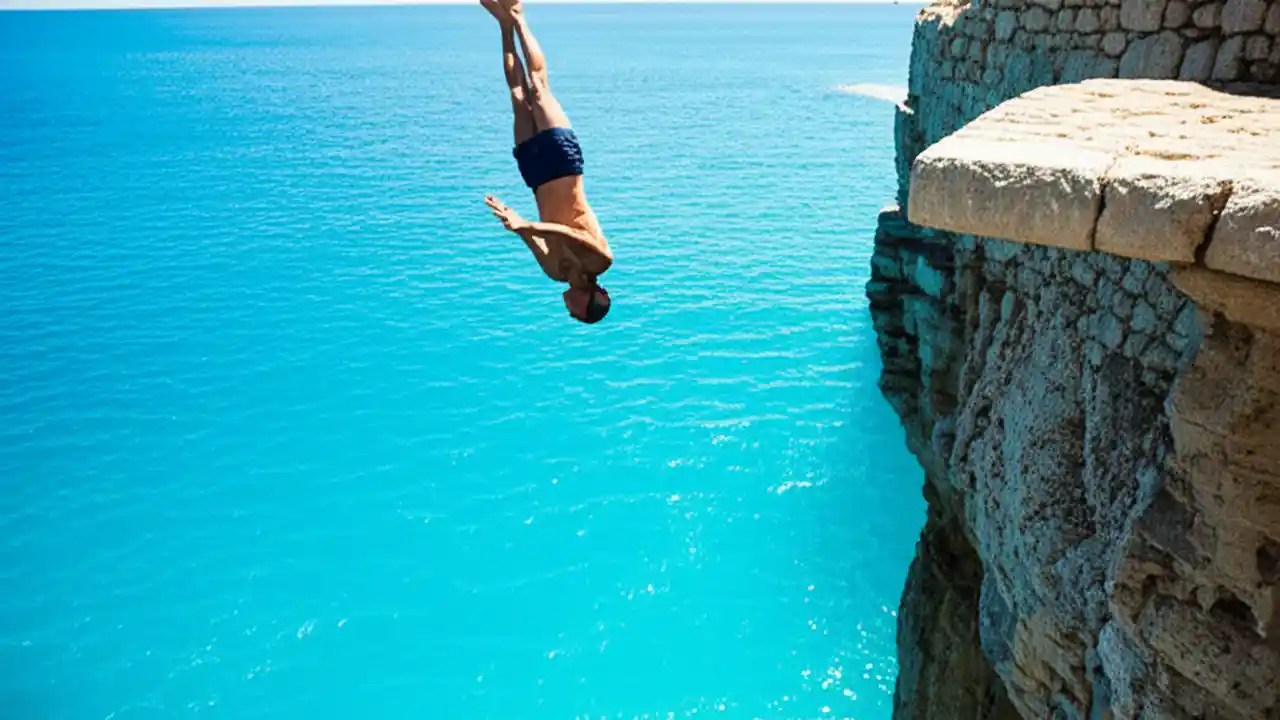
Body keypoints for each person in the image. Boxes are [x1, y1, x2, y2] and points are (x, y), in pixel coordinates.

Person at [480, 0, 613, 324]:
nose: (568, 309)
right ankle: (519, 18)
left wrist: (516, 224)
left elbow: (532, 238)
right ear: (590, 300)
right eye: (575, 312)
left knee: (517, 96)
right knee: (538, 89)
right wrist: (526, 225)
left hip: (536, 175)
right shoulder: (601, 261)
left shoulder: (554, 272)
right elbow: (569, 236)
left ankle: (504, 26)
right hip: (564, 163)